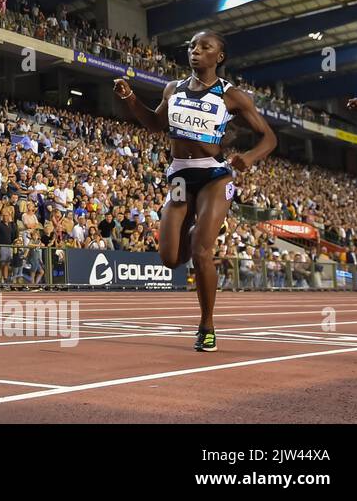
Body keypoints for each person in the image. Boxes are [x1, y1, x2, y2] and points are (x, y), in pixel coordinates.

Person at [114, 31, 277, 352]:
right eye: (192, 46)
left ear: (220, 57)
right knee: (170, 257)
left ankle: (207, 325)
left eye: (205, 47)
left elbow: (269, 138)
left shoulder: (232, 95)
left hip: (214, 176)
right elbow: (155, 125)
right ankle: (194, 230)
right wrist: (130, 99)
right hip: (179, 178)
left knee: (202, 253)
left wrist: (249, 157)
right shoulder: (173, 89)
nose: (196, 51)